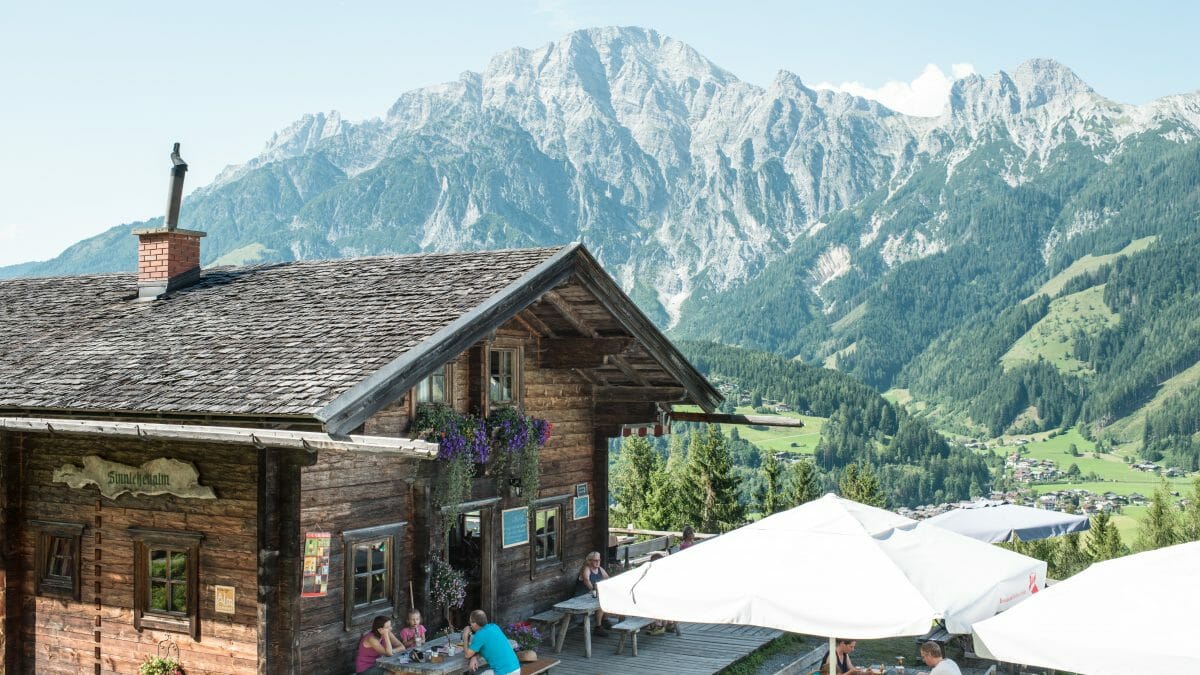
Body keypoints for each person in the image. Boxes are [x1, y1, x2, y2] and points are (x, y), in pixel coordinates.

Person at [461, 609, 520, 675]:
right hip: (516, 668)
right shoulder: (494, 626)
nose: (470, 625)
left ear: (475, 624)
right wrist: (474, 656)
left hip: (505, 672)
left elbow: (467, 655)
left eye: (470, 622)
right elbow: (487, 646)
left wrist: (465, 635)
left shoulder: (480, 635)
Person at [575, 550, 612, 635]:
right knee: (601, 601)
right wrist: (595, 591)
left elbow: (608, 578)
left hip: (591, 595)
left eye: (599, 560)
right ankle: (598, 627)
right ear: (589, 561)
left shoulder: (599, 569)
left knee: (608, 597)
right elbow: (586, 580)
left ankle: (604, 620)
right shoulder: (586, 568)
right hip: (582, 596)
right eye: (595, 560)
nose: (598, 562)